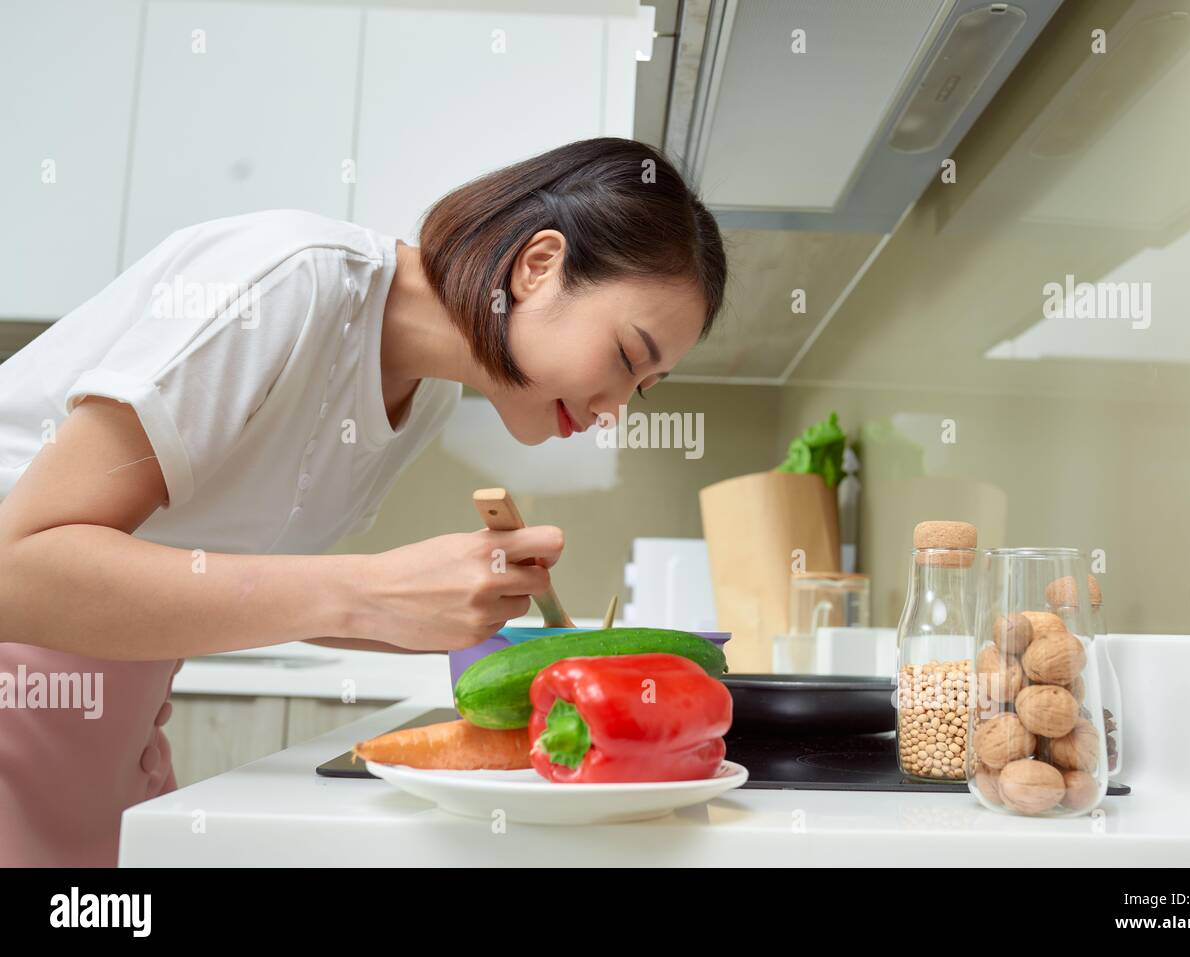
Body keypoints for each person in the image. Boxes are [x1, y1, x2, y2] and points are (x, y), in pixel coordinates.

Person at [0, 137, 727, 865]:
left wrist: (436, 610)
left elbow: (241, 581)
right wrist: (371, 590)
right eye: (628, 358)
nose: (615, 410)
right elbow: (16, 568)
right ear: (539, 266)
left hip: (106, 729)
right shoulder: (289, 283)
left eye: (643, 388)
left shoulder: (427, 397)